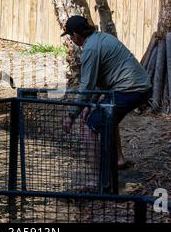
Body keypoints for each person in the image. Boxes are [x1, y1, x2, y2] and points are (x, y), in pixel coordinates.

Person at [61, 15, 152, 169]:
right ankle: (119, 160)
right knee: (109, 115)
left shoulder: (90, 49)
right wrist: (90, 104)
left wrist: (72, 116)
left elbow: (86, 86)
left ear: (76, 35)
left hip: (129, 90)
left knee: (89, 128)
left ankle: (96, 180)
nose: (71, 39)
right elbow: (99, 81)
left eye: (70, 36)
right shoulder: (100, 38)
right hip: (140, 87)